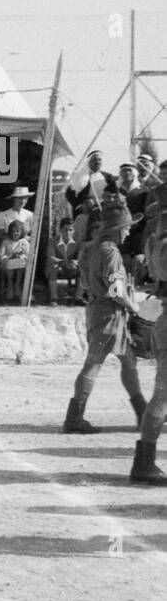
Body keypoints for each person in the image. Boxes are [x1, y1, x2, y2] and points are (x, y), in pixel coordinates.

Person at [63, 205, 144, 433]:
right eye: (126, 228)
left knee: (128, 361)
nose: (128, 232)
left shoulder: (91, 248)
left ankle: (142, 410)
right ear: (116, 230)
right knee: (94, 363)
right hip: (109, 313)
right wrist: (133, 306)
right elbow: (116, 290)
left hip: (98, 309)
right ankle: (74, 418)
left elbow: (87, 282)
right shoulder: (110, 252)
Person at [132, 182, 167, 483]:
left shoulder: (154, 240)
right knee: (164, 393)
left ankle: (145, 460)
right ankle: (145, 461)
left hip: (162, 313)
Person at [49, 217, 81, 304]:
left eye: (70, 230)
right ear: (60, 230)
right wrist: (63, 263)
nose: (68, 232)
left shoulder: (77, 242)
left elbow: (81, 257)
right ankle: (54, 298)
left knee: (84, 268)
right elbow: (51, 257)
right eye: (65, 230)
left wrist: (75, 262)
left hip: (72, 266)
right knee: (53, 268)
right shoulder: (52, 241)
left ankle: (78, 297)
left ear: (74, 230)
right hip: (58, 266)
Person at [0, 219, 30, 302]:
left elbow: (28, 254)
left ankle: (17, 285)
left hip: (20, 263)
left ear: (21, 232)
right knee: (9, 267)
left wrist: (22, 255)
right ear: (10, 232)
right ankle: (10, 286)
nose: (16, 233)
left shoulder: (24, 242)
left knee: (22, 265)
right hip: (9, 263)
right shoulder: (6, 242)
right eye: (13, 231)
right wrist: (8, 256)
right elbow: (1, 255)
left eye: (18, 231)